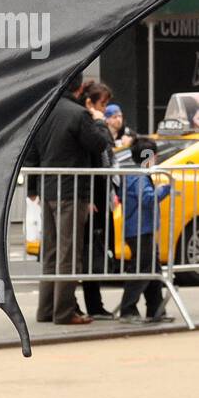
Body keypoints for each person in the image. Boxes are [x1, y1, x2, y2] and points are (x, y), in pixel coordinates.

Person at [29, 73, 115, 325]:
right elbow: (100, 144)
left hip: (48, 189)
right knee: (69, 254)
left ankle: (46, 310)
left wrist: (33, 188)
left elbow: (32, 152)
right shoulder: (79, 115)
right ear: (79, 90)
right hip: (71, 191)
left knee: (51, 253)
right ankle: (65, 312)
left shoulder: (45, 111)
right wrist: (99, 121)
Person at [118, 137, 175, 323]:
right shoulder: (139, 175)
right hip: (140, 229)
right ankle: (128, 309)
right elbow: (148, 199)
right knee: (143, 268)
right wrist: (165, 189)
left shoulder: (136, 174)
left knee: (153, 268)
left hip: (141, 228)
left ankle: (155, 309)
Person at [76, 80, 116, 320]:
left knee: (96, 250)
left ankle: (95, 303)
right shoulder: (89, 123)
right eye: (103, 103)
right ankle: (92, 303)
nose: (105, 109)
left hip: (102, 196)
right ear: (90, 102)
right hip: (92, 197)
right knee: (88, 251)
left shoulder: (94, 122)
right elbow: (98, 149)